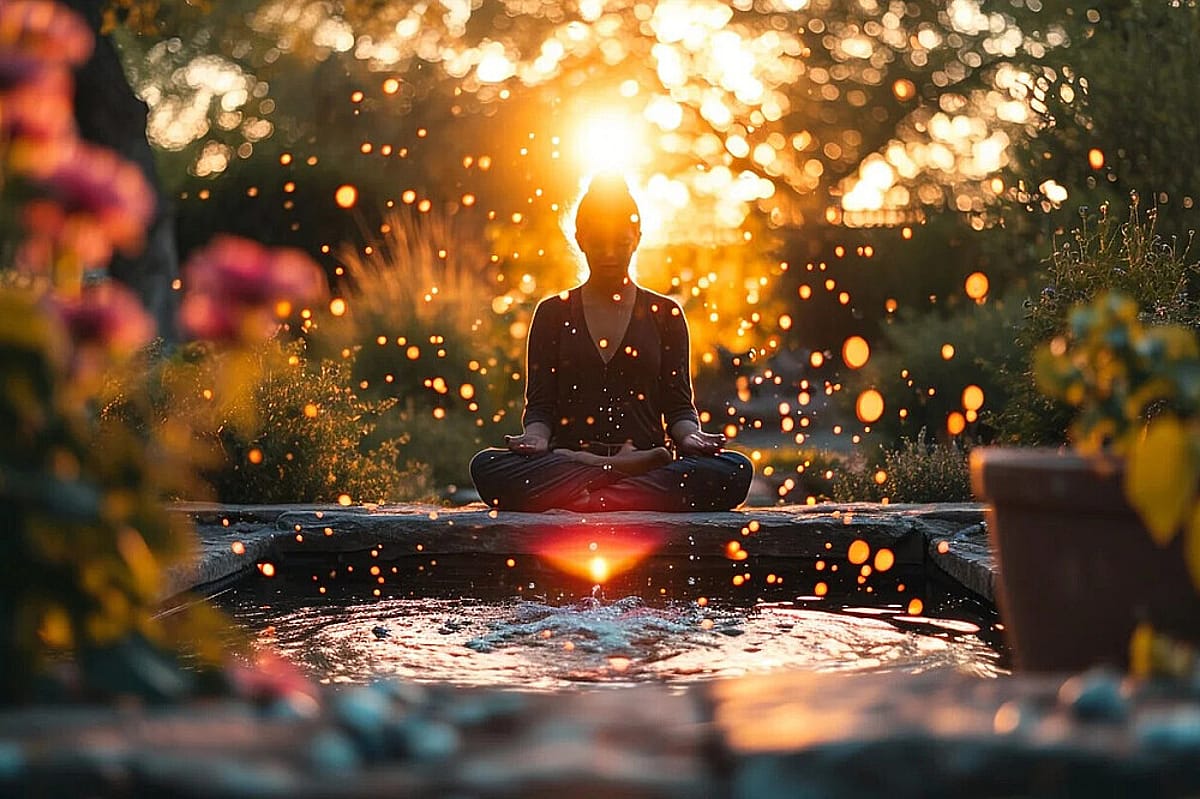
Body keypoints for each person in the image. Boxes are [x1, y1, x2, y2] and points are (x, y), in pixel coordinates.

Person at [469, 174, 753, 512]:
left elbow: (678, 406)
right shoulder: (552, 313)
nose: (609, 254)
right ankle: (618, 481)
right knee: (487, 466)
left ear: (637, 239)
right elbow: (541, 406)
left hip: (602, 463)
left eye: (620, 242)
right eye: (599, 242)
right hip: (582, 460)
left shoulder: (665, 314)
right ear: (580, 239)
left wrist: (690, 436)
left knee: (735, 470)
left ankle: (592, 491)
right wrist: (535, 438)